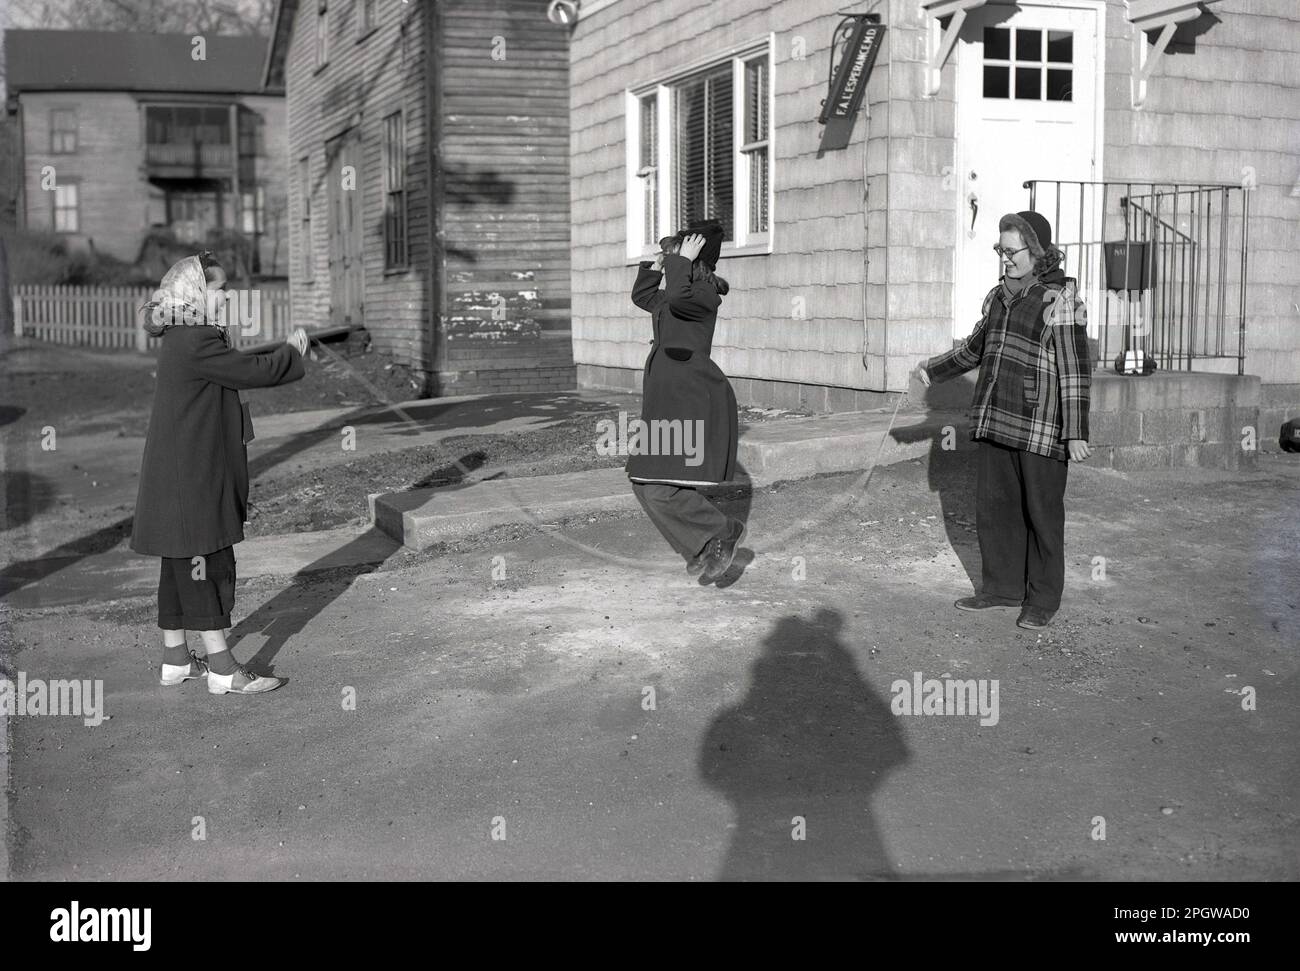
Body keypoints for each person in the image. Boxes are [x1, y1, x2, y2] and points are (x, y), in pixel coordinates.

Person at [131, 253, 310, 694]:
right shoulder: (196, 339)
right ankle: (224, 670)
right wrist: (290, 353)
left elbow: (231, 366)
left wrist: (277, 351)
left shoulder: (183, 336)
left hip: (178, 470)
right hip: (193, 473)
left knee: (177, 564)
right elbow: (249, 371)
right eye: (220, 288)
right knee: (205, 564)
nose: (229, 295)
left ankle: (176, 659)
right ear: (196, 292)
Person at [915, 211, 1092, 630]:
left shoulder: (1061, 301)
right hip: (996, 418)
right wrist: (932, 370)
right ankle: (1002, 588)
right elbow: (976, 348)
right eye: (1001, 250)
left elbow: (1075, 369)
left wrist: (1077, 431)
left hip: (1042, 425)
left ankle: (1042, 598)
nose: (1005, 259)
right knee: (997, 509)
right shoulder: (998, 297)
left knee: (1041, 513)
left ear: (1036, 252)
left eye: (1011, 251)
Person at [628, 221, 743, 583]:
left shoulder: (703, 298)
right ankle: (702, 544)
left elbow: (679, 297)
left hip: (689, 400)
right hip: (666, 403)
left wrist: (682, 262)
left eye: (679, 254)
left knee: (660, 484)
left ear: (694, 262)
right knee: (644, 481)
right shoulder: (674, 297)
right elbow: (644, 298)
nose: (672, 258)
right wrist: (654, 268)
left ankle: (720, 533)